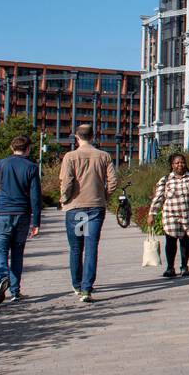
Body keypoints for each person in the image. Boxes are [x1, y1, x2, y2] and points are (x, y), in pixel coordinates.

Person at [59, 123, 117, 303]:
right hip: (95, 207)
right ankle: (87, 289)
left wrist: (64, 199)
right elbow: (113, 181)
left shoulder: (70, 156)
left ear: (76, 136)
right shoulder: (104, 156)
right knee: (91, 247)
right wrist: (104, 196)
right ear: (93, 136)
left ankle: (76, 284)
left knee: (76, 248)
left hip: (76, 208)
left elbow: (67, 182)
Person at [0, 134, 41, 303]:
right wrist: (36, 222)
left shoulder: (1, 164)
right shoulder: (32, 167)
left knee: (0, 249)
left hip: (2, 214)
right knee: (17, 252)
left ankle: (2, 278)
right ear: (28, 149)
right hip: (22, 215)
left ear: (12, 148)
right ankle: (15, 291)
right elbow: (35, 197)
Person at [149, 153, 189, 278]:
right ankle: (170, 268)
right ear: (172, 165)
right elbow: (158, 197)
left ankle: (184, 266)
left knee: (185, 240)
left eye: (182, 162)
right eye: (177, 163)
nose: (180, 165)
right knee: (170, 240)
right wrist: (152, 213)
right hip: (171, 214)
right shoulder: (166, 179)